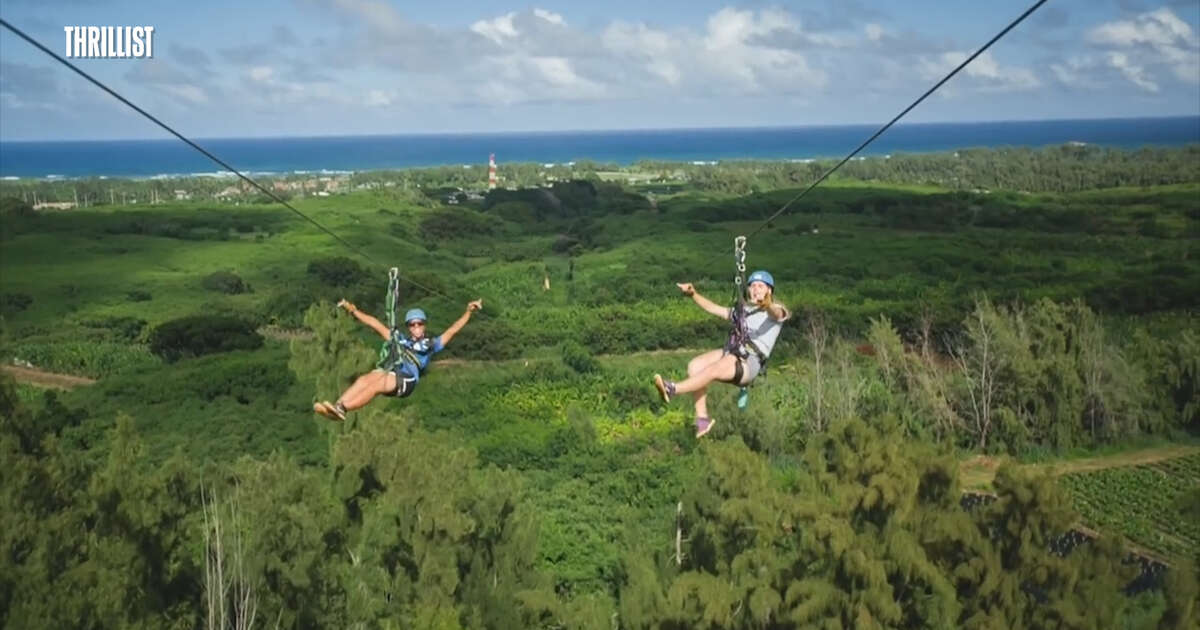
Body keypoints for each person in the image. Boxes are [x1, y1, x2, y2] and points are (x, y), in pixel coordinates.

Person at [653, 270, 789, 437]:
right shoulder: (743, 310)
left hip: (749, 361)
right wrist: (693, 294)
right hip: (732, 352)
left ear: (769, 290)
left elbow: (776, 313)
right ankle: (702, 420)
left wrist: (767, 303)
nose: (755, 289)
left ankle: (673, 389)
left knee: (715, 368)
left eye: (761, 286)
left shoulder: (777, 310)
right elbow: (713, 308)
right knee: (695, 365)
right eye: (753, 286)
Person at [313, 298, 483, 421]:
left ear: (424, 325)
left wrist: (468, 312)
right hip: (395, 374)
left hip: (407, 380)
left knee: (377, 383)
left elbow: (452, 331)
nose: (416, 327)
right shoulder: (401, 340)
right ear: (408, 327)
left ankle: (344, 409)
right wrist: (354, 311)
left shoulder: (431, 344)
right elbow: (376, 324)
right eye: (412, 324)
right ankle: (338, 406)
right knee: (365, 379)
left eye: (419, 324)